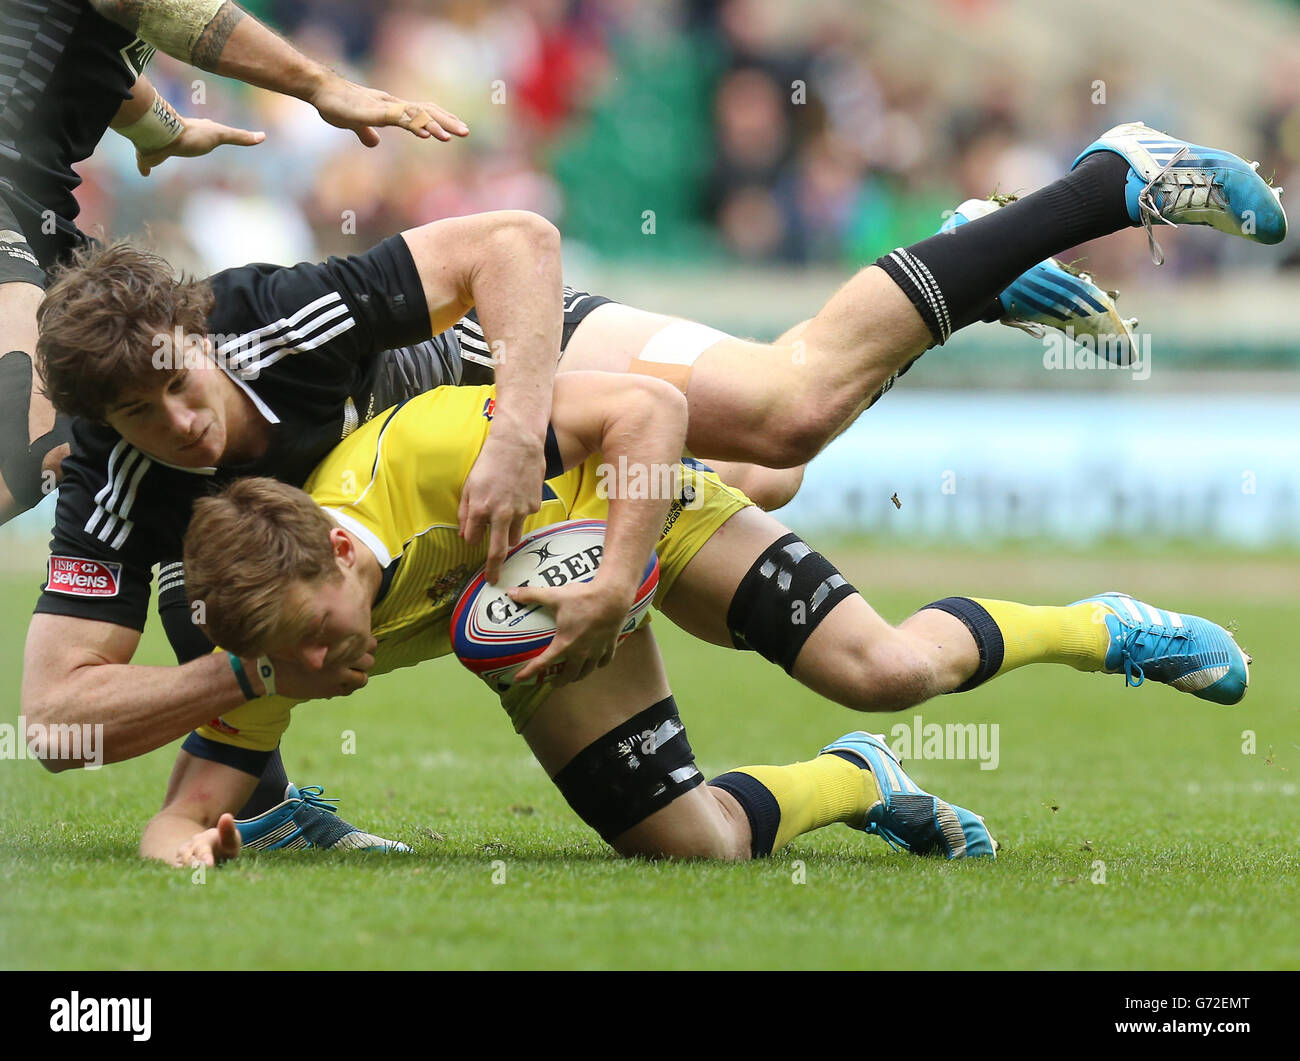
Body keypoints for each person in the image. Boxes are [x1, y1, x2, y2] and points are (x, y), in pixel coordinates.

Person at [138, 370, 1247, 866]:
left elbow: (647, 407)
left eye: (323, 635)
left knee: (888, 667)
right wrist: (188, 843)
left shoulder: (424, 457)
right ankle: (861, 780)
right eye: (298, 660)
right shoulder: (279, 638)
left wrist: (620, 578)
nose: (326, 667)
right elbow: (178, 810)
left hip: (631, 518)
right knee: (690, 847)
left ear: (341, 547)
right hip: (530, 623)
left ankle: (1100, 625)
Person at [0, 0, 469, 523]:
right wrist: (320, 85)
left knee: (97, 417)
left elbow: (86, 41)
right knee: (31, 446)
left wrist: (162, 128)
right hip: (11, 202)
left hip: (33, 207)